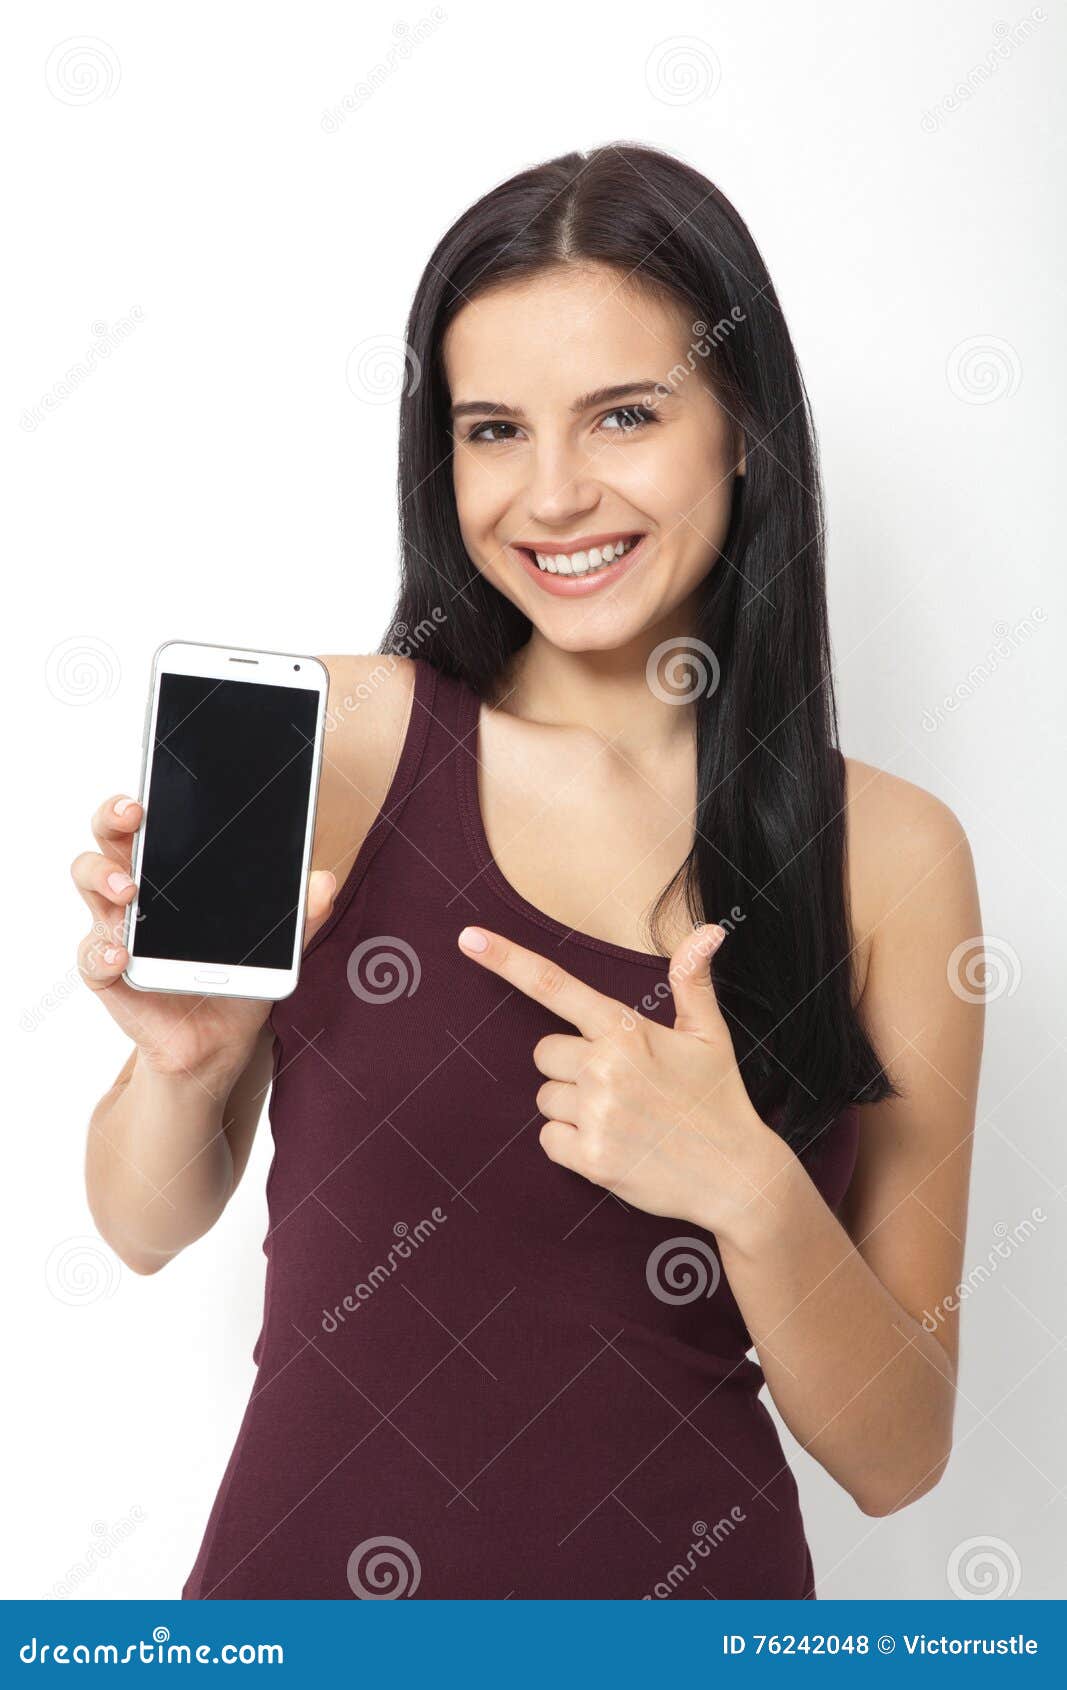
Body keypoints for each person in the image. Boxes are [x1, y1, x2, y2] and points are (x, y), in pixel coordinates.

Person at [73, 144, 983, 1599]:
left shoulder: (893, 854)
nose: (553, 494)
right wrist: (185, 1069)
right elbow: (139, 1226)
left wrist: (745, 1183)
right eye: (494, 430)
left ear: (744, 433)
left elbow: (900, 1452)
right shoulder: (332, 739)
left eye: (624, 414)